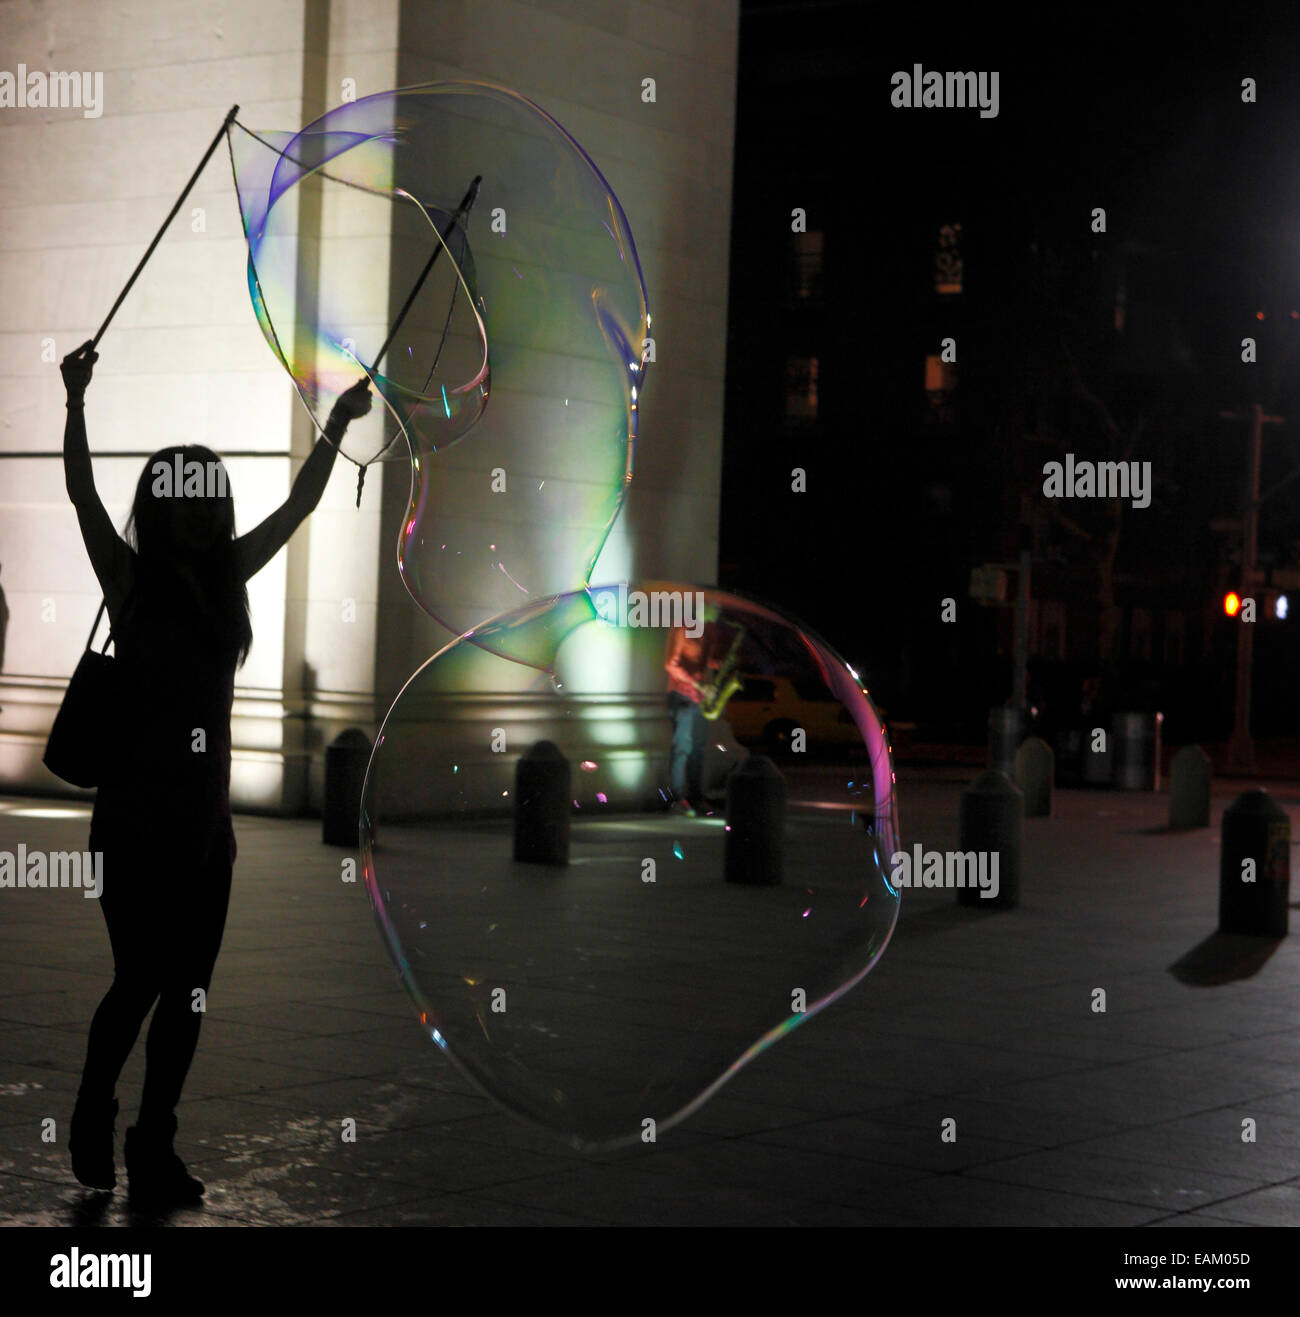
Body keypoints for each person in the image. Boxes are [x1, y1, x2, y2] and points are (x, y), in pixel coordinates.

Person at [61, 341, 371, 1207]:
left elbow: (303, 504)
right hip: (133, 821)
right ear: (161, 507)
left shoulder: (227, 576)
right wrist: (77, 403)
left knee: (188, 993)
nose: (198, 514)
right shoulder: (127, 579)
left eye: (208, 499)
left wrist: (337, 426)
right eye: (182, 499)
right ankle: (95, 1109)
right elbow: (84, 495)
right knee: (142, 978)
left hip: (206, 831)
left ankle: (153, 1139)